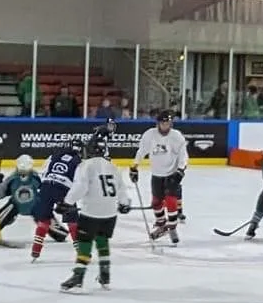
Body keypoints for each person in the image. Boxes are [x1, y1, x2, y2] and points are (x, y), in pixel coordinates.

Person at [59, 132, 125, 291]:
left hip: (92, 212)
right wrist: (124, 203)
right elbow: (121, 188)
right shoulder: (113, 166)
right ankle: (105, 274)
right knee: (102, 239)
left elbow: (80, 187)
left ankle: (78, 276)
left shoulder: (86, 165)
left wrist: (66, 202)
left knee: (85, 242)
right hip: (110, 213)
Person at [134, 110, 189, 243]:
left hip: (172, 173)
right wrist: (134, 166)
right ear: (158, 123)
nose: (165, 125)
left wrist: (181, 170)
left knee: (171, 200)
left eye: (168, 123)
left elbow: (183, 154)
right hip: (157, 174)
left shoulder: (176, 136)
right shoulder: (150, 135)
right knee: (156, 202)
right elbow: (142, 151)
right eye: (163, 123)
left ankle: (172, 227)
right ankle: (162, 224)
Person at [31, 138, 81, 261]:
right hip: (63, 189)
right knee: (72, 221)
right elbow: (80, 181)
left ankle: (36, 250)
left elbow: (43, 172)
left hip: (46, 187)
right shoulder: (79, 161)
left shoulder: (54, 156)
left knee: (44, 220)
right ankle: (82, 252)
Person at [0, 154, 42, 243]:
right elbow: (0, 193)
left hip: (30, 205)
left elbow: (46, 190)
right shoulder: (14, 178)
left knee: (59, 234)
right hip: (17, 206)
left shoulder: (36, 177)